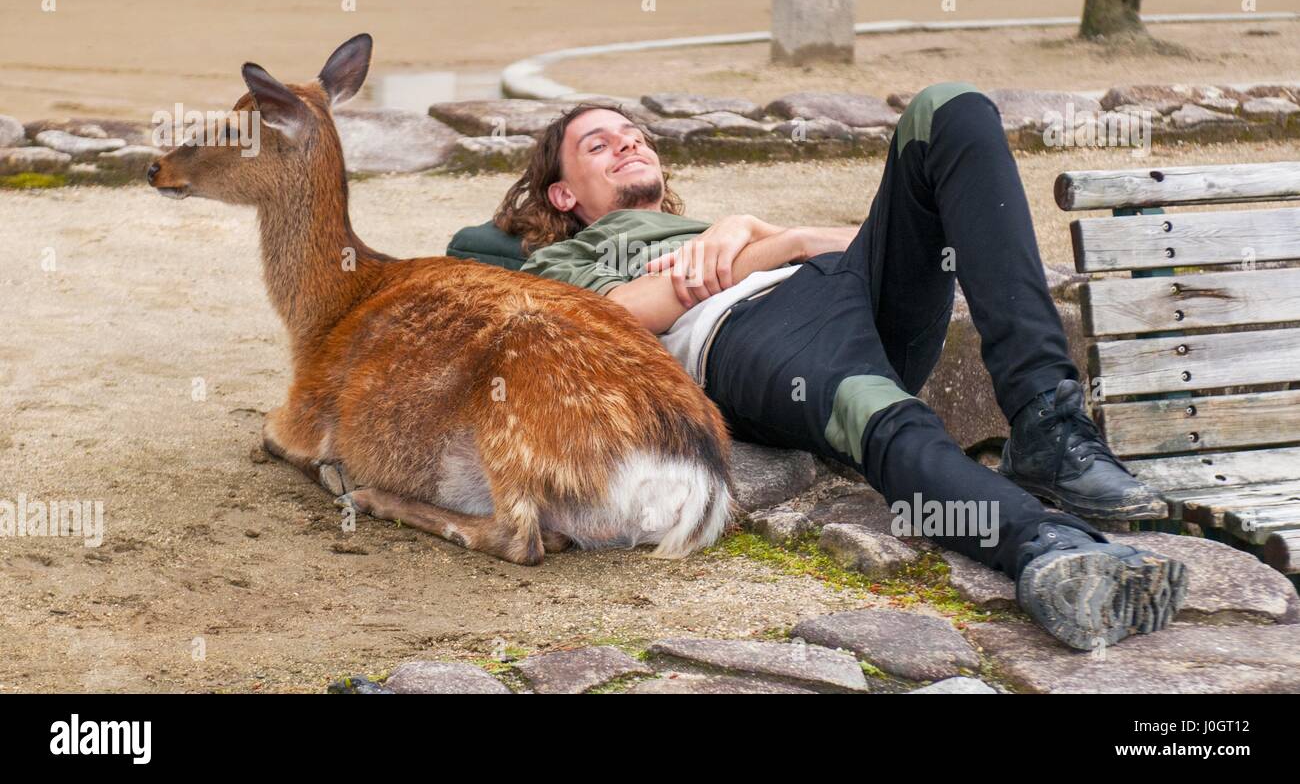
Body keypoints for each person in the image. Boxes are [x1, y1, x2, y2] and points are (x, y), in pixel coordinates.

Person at [494, 83, 1187, 650]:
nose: (628, 142)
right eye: (600, 143)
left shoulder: (710, 227)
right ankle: (1046, 546)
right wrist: (773, 238)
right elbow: (619, 314)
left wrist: (747, 229)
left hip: (846, 289)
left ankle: (1047, 422)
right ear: (562, 195)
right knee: (872, 411)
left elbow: (879, 236)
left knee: (947, 111)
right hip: (753, 334)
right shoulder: (563, 260)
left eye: (634, 134)